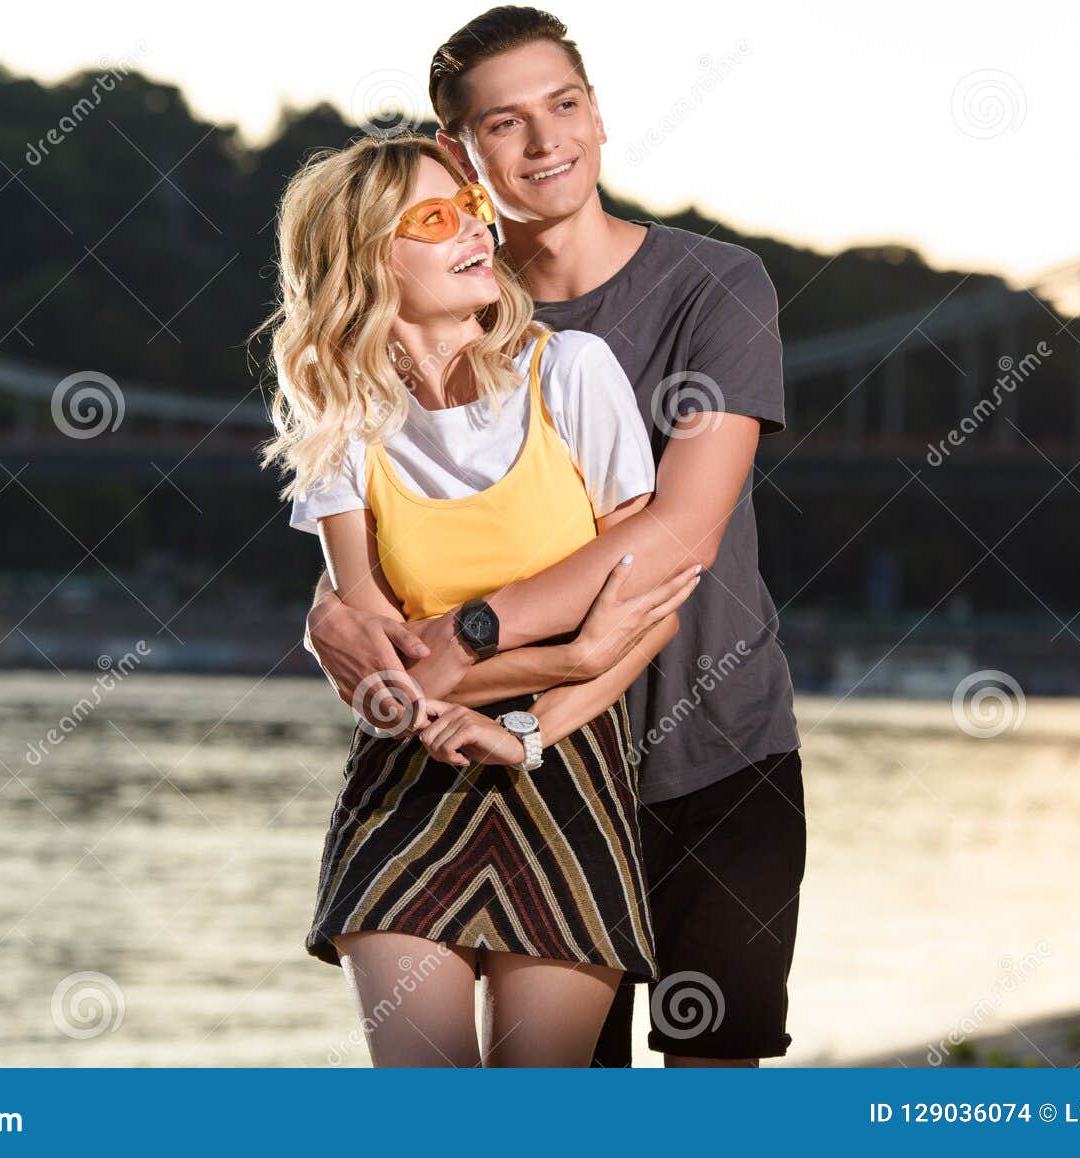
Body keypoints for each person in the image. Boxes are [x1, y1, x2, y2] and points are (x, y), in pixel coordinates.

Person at [306, 7, 807, 1067]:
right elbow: (366, 541)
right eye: (504, 123)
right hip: (495, 762)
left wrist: (465, 643)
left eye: (565, 106)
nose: (545, 145)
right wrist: (334, 615)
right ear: (456, 150)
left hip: (709, 749)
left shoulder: (714, 287)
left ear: (598, 114)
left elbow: (676, 536)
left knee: (714, 1083)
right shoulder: (448, 295)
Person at [257, 132, 703, 1066]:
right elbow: (381, 672)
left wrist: (537, 715)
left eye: (471, 205)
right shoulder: (342, 424)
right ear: (364, 256)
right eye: (435, 217)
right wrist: (562, 647)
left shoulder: (571, 371)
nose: (474, 226)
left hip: (567, 766)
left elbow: (650, 602)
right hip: (405, 785)